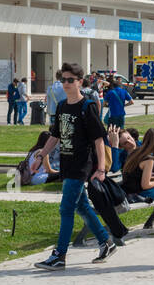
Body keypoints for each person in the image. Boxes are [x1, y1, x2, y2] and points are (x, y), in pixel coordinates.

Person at [34, 63, 119, 270]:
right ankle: (106, 242)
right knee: (81, 206)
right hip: (67, 162)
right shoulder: (62, 106)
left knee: (66, 209)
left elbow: (99, 140)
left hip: (82, 165)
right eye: (63, 80)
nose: (66, 83)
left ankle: (59, 255)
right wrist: (42, 154)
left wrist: (100, 169)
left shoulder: (87, 106)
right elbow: (55, 135)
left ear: (80, 82)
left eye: (70, 80)